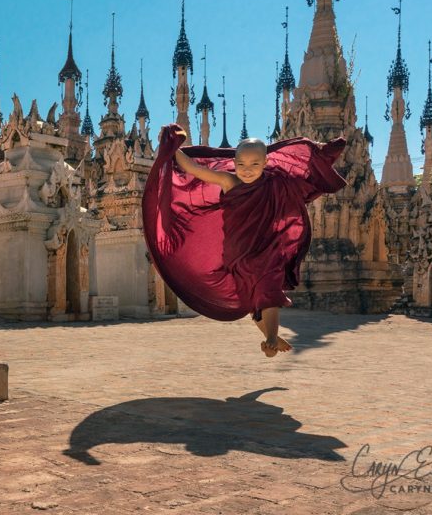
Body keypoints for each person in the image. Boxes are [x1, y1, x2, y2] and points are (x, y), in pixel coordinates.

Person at [142, 124, 346, 357]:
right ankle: (270, 335)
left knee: (268, 289)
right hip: (238, 254)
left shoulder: (275, 183)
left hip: (267, 249)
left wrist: (326, 152)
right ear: (234, 163)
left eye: (254, 164)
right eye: (241, 165)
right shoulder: (229, 182)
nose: (247, 170)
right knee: (250, 300)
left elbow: (303, 173)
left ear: (266, 162)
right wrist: (171, 147)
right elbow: (194, 168)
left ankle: (271, 337)